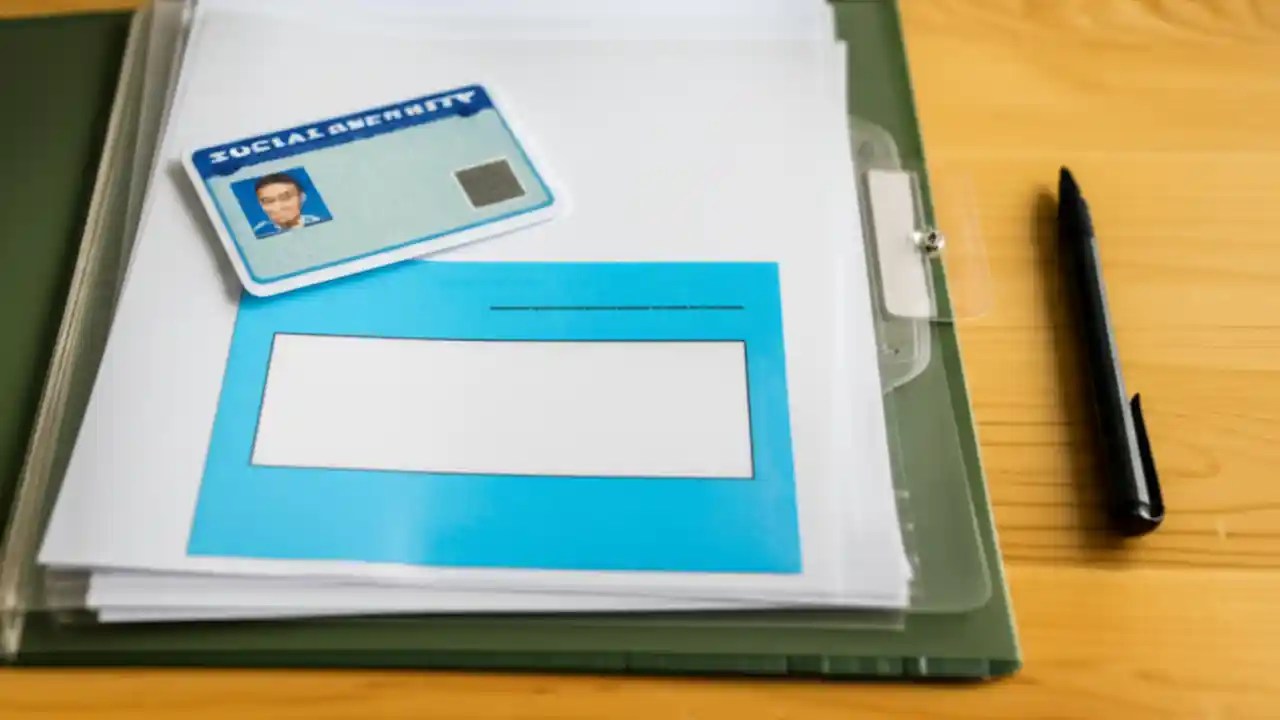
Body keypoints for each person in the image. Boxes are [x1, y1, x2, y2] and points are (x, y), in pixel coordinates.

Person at [251, 172, 322, 236]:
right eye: (268, 201)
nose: (278, 207)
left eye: (285, 198)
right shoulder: (259, 232)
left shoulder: (318, 223)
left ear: (302, 198)